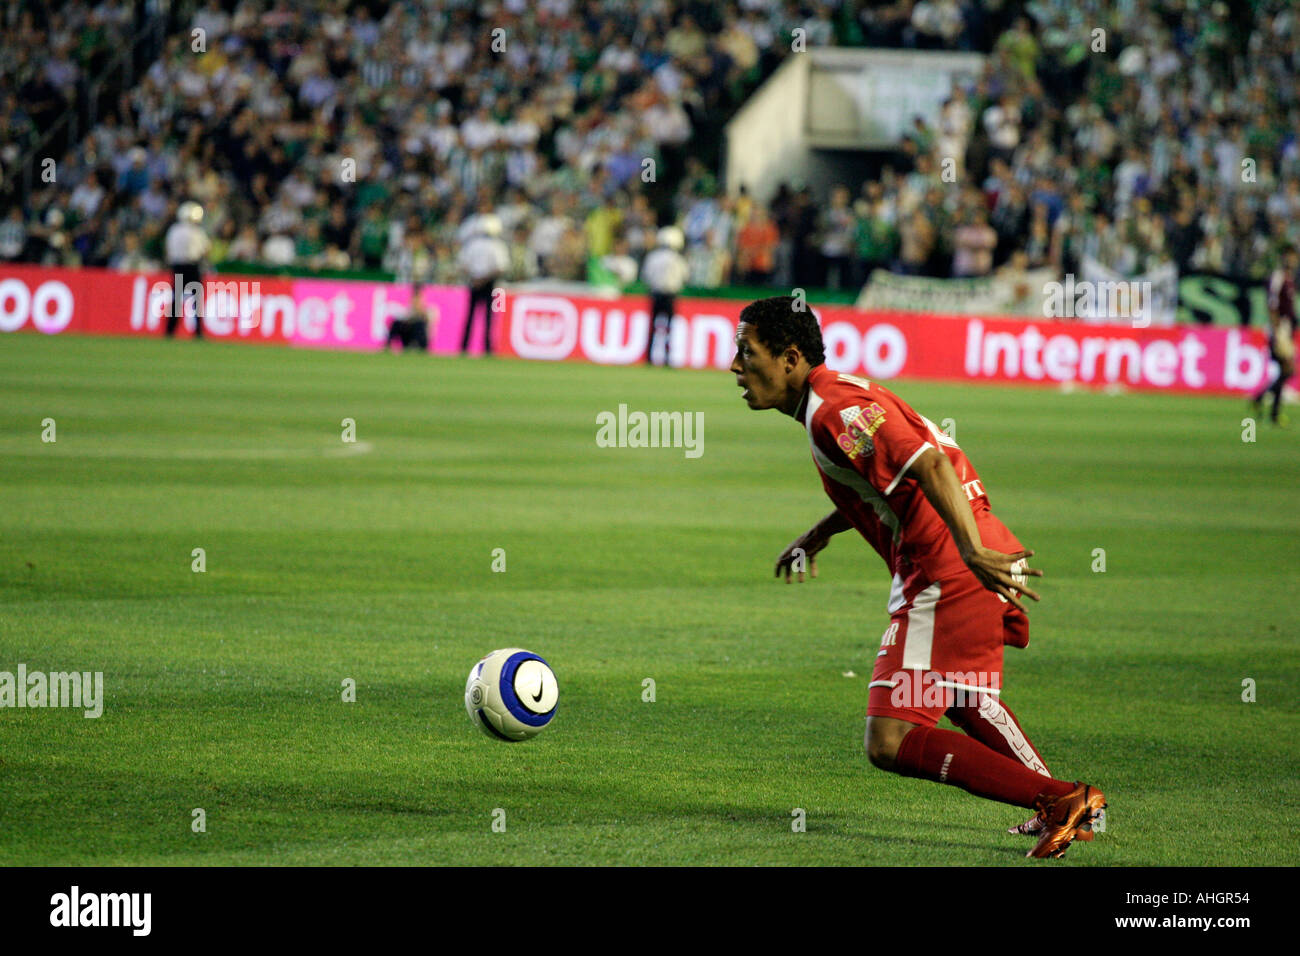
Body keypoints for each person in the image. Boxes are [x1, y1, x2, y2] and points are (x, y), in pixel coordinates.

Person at [729, 296, 1106, 859]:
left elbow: (928, 465)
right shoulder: (836, 398)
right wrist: (823, 532)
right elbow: (888, 479)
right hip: (971, 543)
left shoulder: (835, 412)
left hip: (946, 564)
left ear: (788, 357)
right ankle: (1073, 810)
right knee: (959, 694)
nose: (735, 367)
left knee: (889, 738)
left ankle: (1061, 799)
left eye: (746, 352)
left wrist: (970, 552)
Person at [1252, 243, 1297, 426]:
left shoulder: (1289, 278)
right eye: (1290, 256)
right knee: (1288, 369)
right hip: (1280, 330)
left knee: (1284, 371)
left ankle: (1266, 404)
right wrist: (1277, 330)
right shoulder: (1278, 277)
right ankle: (1268, 407)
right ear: (1283, 258)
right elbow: (1272, 306)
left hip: (1286, 329)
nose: (1293, 260)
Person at [457, 214, 509, 355]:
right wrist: (484, 279)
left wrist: (475, 278)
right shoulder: (498, 245)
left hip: (473, 282)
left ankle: (463, 346)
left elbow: (463, 264)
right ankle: (487, 348)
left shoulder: (471, 244)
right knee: (489, 318)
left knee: (470, 316)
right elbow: (501, 267)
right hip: (490, 284)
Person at [641, 226, 689, 365]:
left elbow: (646, 277)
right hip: (670, 296)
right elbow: (684, 277)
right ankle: (667, 357)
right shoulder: (679, 259)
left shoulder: (653, 257)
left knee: (653, 328)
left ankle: (649, 358)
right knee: (669, 329)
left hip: (655, 294)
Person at [164, 201, 210, 338]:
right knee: (196, 301)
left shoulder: (173, 230)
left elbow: (168, 250)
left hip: (177, 267)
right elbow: (205, 250)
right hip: (192, 267)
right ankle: (198, 332)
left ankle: (170, 331)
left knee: (176, 301)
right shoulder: (197, 232)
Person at [386, 284, 431, 352]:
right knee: (396, 323)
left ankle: (416, 345)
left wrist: (419, 310)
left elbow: (428, 321)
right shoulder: (410, 307)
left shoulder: (428, 309)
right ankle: (388, 344)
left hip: (418, 332)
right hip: (409, 330)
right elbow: (406, 317)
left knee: (419, 325)